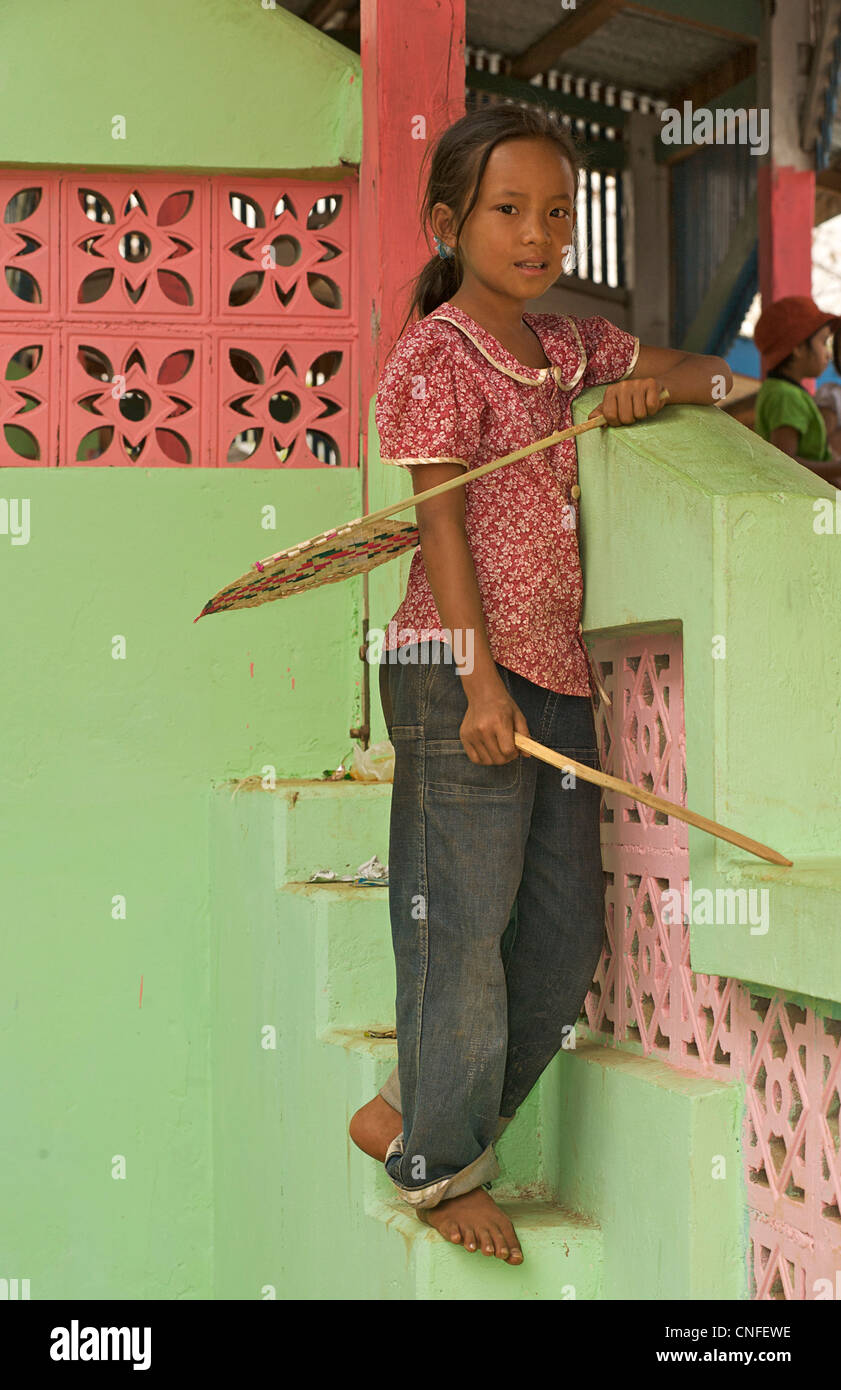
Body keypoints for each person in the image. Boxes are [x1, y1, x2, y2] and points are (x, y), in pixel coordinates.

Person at [348, 102, 732, 1267]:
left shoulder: (566, 349)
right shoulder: (433, 354)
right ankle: (439, 1165)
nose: (536, 233)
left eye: (555, 211)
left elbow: (713, 373)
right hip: (453, 671)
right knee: (459, 926)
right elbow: (443, 527)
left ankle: (415, 1117)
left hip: (557, 675)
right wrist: (474, 684)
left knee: (564, 943)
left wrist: (654, 391)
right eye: (507, 210)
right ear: (448, 224)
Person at [753, 295, 841, 487]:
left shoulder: (785, 391)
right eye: (823, 341)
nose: (828, 353)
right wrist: (837, 468)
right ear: (799, 348)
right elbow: (785, 464)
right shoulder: (786, 396)